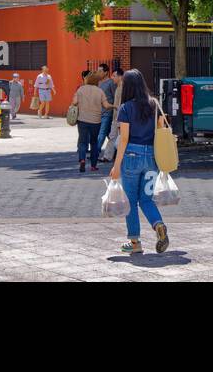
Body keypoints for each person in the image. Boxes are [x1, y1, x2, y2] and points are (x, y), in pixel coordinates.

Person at [108, 68, 170, 255]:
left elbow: (124, 139)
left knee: (131, 201)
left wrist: (116, 165)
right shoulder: (154, 104)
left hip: (132, 157)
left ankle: (135, 242)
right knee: (146, 199)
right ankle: (158, 224)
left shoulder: (126, 108)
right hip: (152, 158)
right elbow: (160, 132)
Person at [72, 70, 109, 172]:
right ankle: (93, 165)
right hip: (96, 121)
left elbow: (74, 102)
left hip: (82, 119)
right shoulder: (100, 91)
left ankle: (82, 160)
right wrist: (114, 106)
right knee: (94, 142)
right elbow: (106, 105)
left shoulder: (80, 90)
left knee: (82, 141)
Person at [98, 65, 117, 149]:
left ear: (106, 72)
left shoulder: (111, 83)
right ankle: (115, 150)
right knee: (109, 133)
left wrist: (114, 109)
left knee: (101, 133)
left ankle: (95, 153)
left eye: (100, 71)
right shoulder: (98, 82)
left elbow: (115, 96)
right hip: (99, 112)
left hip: (107, 112)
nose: (98, 73)